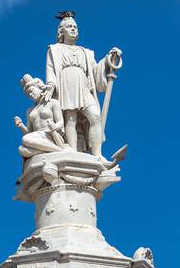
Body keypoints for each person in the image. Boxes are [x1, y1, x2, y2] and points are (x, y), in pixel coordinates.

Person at [45, 11, 122, 158]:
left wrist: (108, 60)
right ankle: (73, 152)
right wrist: (50, 86)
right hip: (67, 83)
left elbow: (94, 72)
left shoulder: (86, 52)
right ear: (62, 31)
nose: (74, 28)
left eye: (75, 26)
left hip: (84, 84)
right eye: (69, 26)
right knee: (71, 119)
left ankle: (97, 154)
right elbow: (51, 70)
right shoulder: (54, 50)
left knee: (95, 117)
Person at [13, 74, 66, 159]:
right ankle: (53, 150)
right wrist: (21, 125)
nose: (30, 94)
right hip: (37, 137)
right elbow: (29, 132)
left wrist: (54, 126)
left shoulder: (52, 102)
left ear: (39, 88)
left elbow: (61, 122)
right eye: (28, 93)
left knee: (25, 140)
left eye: (31, 90)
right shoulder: (30, 111)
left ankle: (59, 150)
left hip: (50, 134)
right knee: (21, 149)